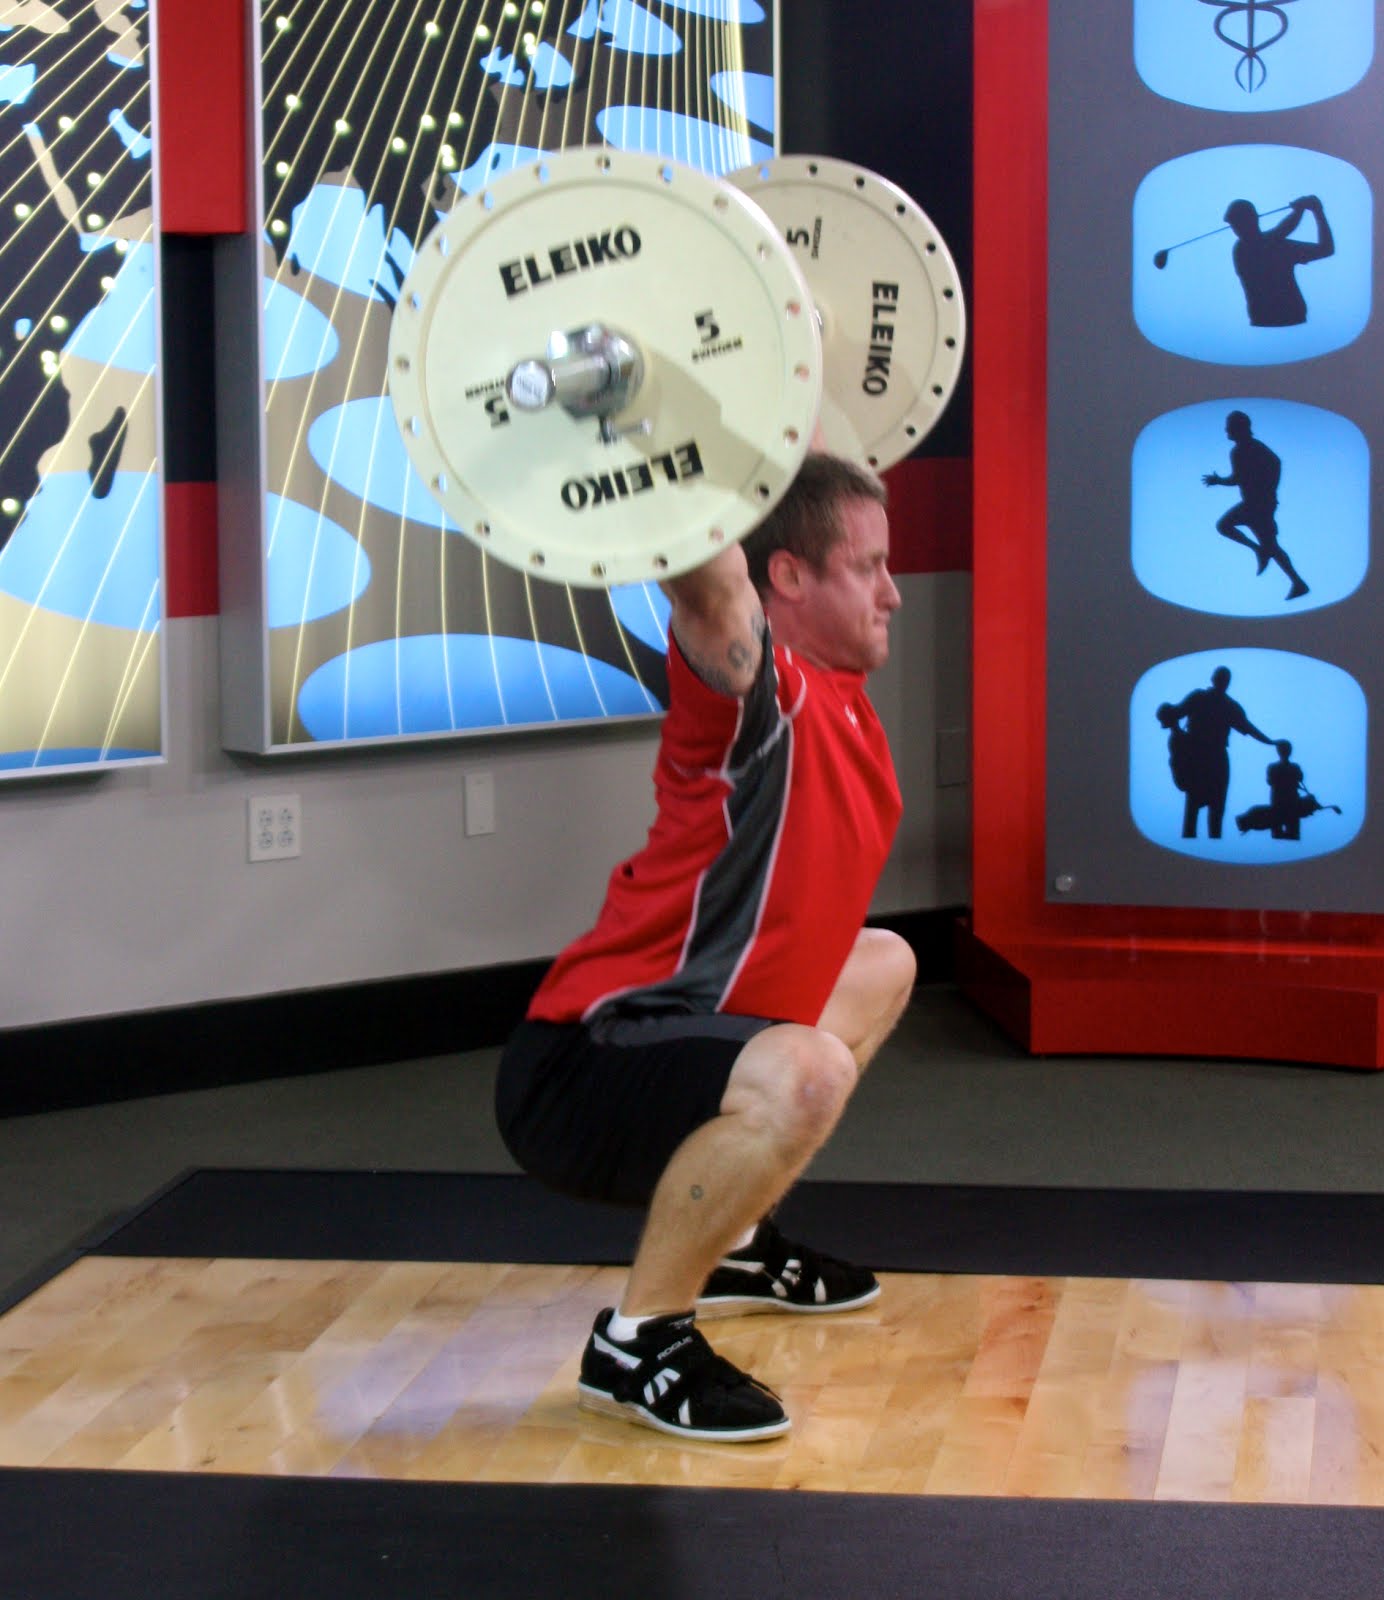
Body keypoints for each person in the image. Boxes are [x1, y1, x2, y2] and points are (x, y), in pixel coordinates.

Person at [495, 452, 916, 1443]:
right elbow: (712, 578)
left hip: (686, 1047)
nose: (895, 592)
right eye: (870, 567)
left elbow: (785, 452)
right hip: (587, 1066)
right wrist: (649, 428)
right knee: (805, 1073)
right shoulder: (753, 696)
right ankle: (638, 1341)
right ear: (790, 580)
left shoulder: (840, 693)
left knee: (885, 960)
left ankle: (727, 1242)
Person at [1160, 665, 1276, 839]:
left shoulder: (1220, 703)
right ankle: (1201, 840)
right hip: (1202, 759)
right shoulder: (1207, 700)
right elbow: (1174, 713)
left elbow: (1249, 728)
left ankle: (1210, 842)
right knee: (1201, 809)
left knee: (1211, 809)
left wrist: (1270, 742)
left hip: (1211, 760)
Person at [1202, 410, 1308, 600]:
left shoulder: (1244, 450)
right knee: (1270, 546)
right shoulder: (1246, 449)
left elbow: (1239, 478)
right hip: (1256, 505)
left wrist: (1219, 481)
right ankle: (1290, 576)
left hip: (1257, 506)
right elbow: (1251, 473)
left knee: (1231, 529)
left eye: (1229, 427)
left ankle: (1290, 576)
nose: (1226, 430)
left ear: (1238, 428)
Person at [1224, 194, 1333, 328]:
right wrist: (1305, 209)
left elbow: (1326, 249)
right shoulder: (1243, 249)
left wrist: (1315, 211)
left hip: (1290, 319)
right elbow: (1281, 231)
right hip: (1270, 320)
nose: (1236, 229)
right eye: (1234, 225)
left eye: (1238, 223)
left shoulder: (1277, 246)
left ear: (1253, 219)